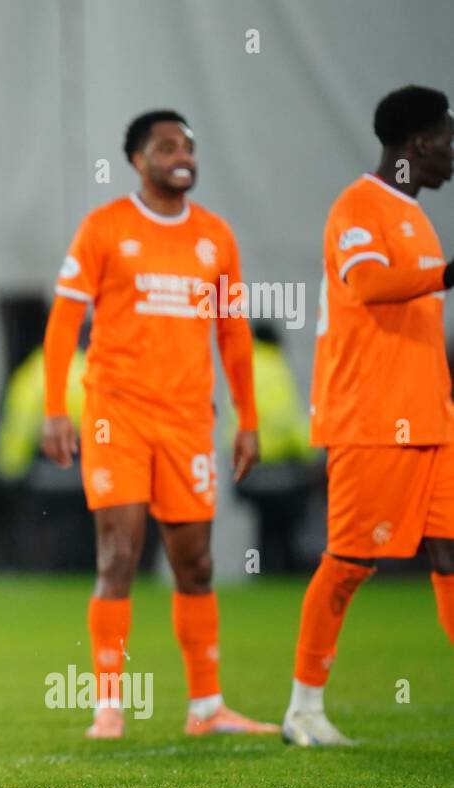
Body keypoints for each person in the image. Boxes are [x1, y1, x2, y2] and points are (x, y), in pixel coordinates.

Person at [41, 110, 277, 739]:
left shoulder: (215, 238)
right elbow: (65, 320)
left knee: (194, 563)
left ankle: (207, 708)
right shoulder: (106, 227)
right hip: (117, 414)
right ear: (138, 159)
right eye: (167, 146)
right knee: (119, 553)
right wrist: (55, 409)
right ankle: (108, 706)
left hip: (187, 423)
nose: (184, 156)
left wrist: (248, 419)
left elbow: (232, 332)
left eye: (190, 147)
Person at [284, 86, 454, 746]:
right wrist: (446, 274)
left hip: (431, 419)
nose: (452, 154)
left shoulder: (415, 213)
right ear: (416, 145)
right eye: (447, 139)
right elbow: (370, 283)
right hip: (370, 418)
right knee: (351, 561)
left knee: (449, 554)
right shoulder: (359, 205)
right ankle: (303, 706)